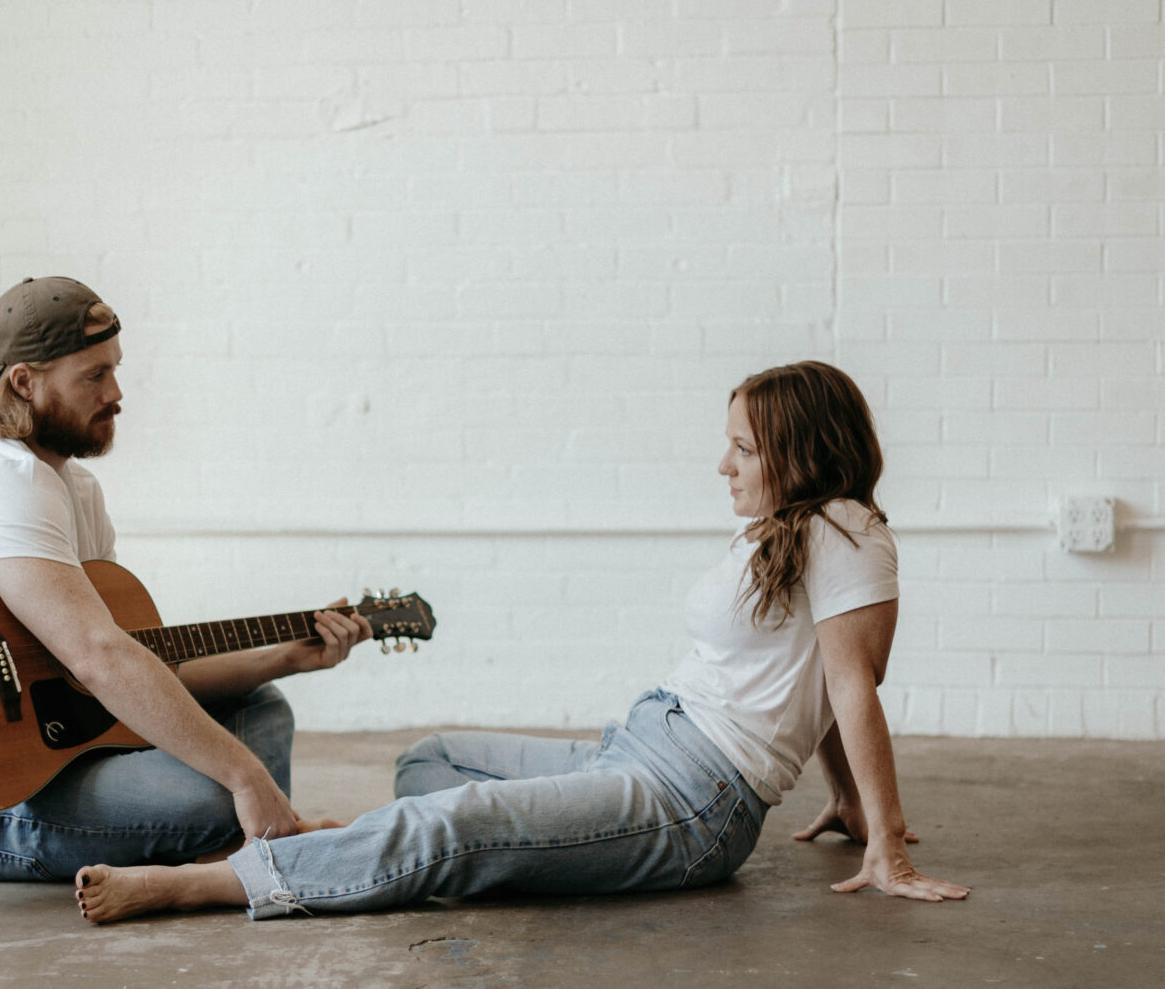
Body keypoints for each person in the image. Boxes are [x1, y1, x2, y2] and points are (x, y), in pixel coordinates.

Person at [72, 360, 970, 922]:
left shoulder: (848, 531)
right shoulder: (782, 531)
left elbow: (852, 686)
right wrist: (847, 805)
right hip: (644, 743)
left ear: (803, 452)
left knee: (460, 822)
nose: (723, 465)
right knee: (432, 762)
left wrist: (885, 844)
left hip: (699, 800)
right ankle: (390, 848)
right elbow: (805, 681)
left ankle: (216, 882)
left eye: (742, 448)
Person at [0, 276, 371, 881]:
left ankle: (225, 845)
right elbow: (99, 659)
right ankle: (233, 844)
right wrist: (246, 778)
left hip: (58, 753)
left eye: (115, 370)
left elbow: (136, 664)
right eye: (93, 375)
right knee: (219, 790)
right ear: (25, 382)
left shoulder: (76, 491)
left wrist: (282, 656)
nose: (116, 393)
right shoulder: (6, 484)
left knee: (261, 705)